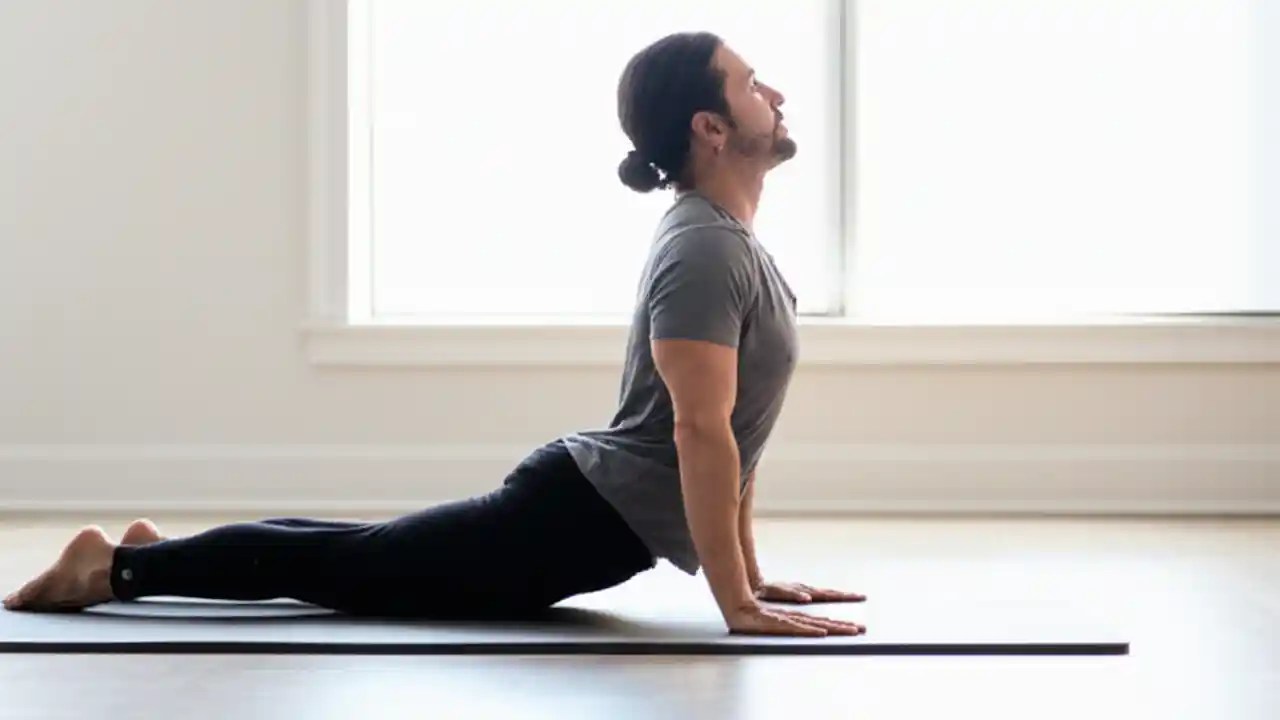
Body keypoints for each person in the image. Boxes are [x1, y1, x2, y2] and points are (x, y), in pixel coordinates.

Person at [3, 32, 866, 638]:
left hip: (585, 514)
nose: (777, 95)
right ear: (710, 129)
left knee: (367, 555)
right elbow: (698, 431)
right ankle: (115, 570)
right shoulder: (707, 248)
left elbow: (733, 438)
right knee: (354, 572)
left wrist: (750, 577)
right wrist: (735, 603)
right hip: (571, 519)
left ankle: (172, 556)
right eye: (753, 84)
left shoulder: (727, 239)